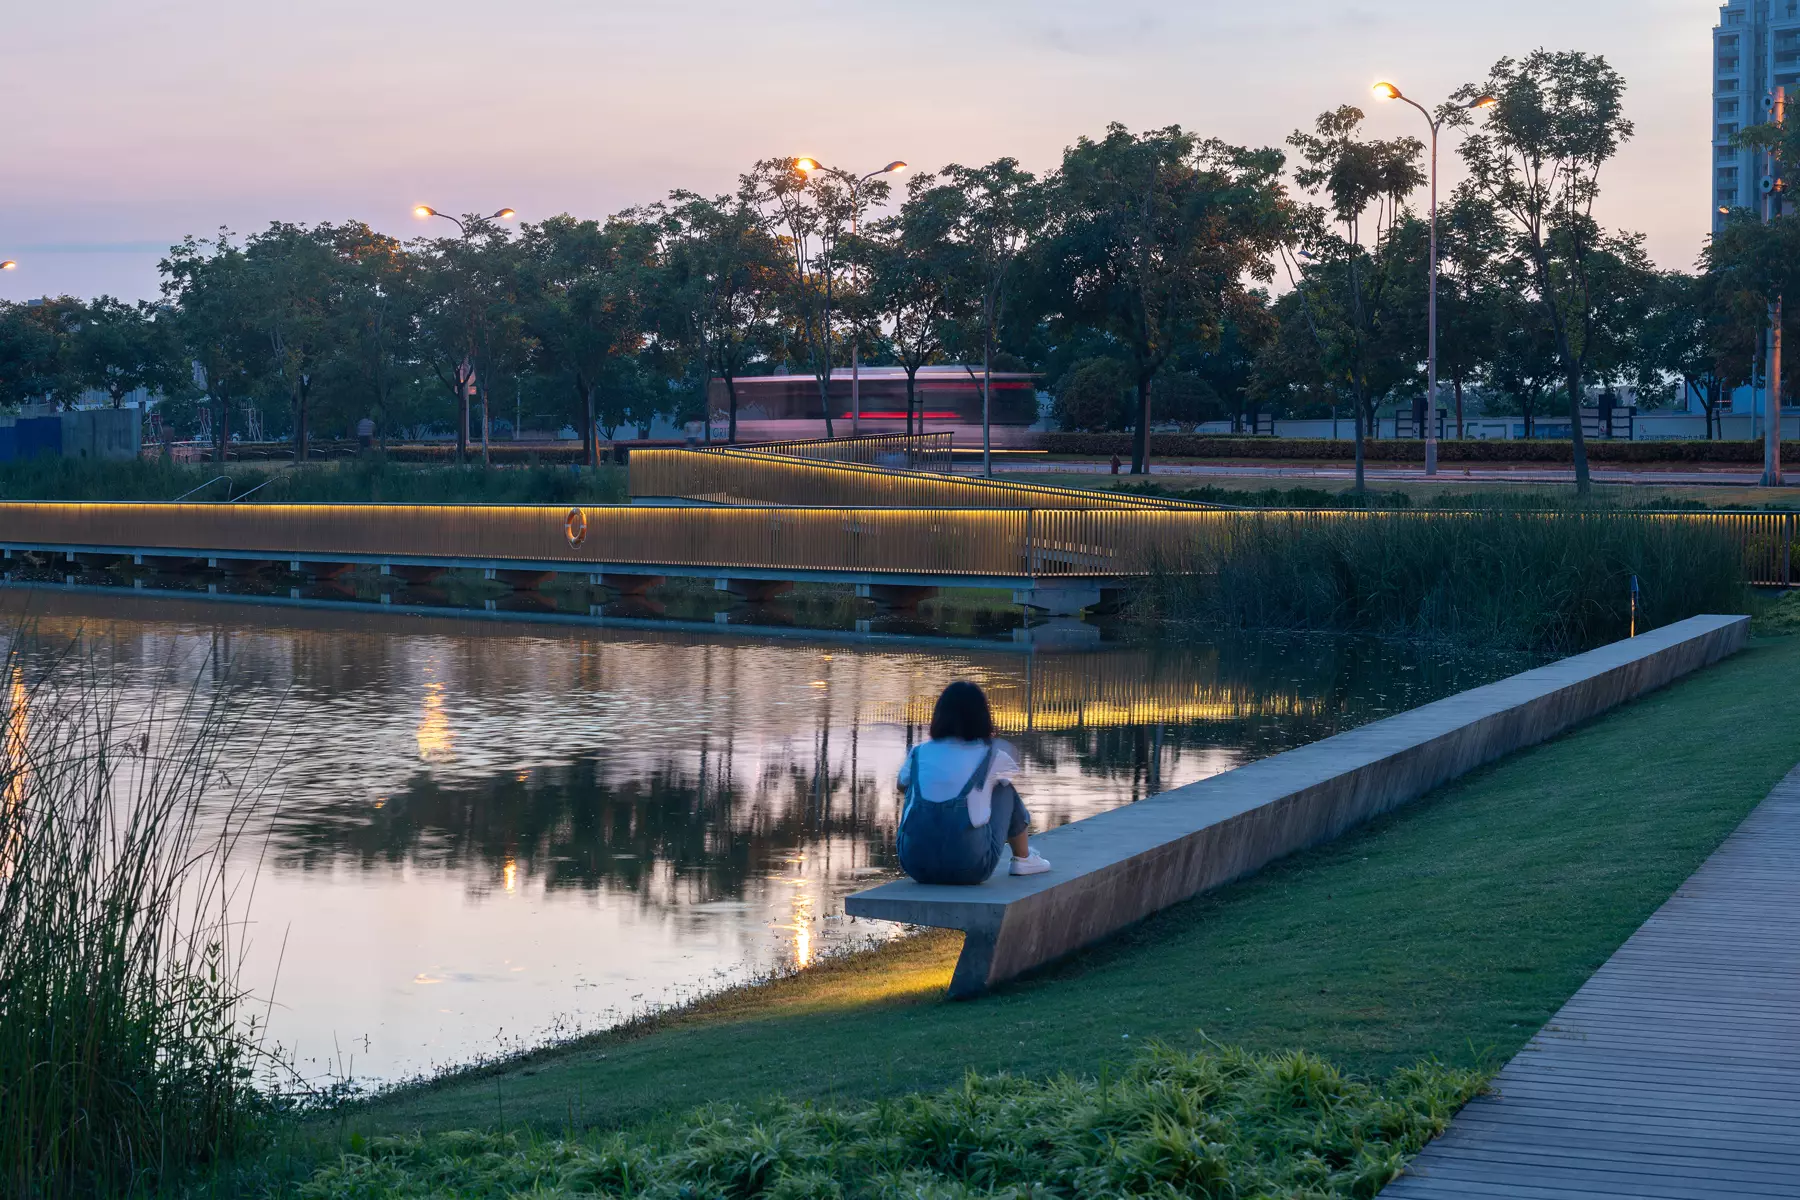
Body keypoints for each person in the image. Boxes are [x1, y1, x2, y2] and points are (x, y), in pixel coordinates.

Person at [895, 681, 1051, 885]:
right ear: (982, 716)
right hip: (970, 867)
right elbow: (1025, 788)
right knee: (1005, 788)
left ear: (939, 715)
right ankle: (1023, 859)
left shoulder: (919, 752)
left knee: (913, 785)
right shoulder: (992, 753)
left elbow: (901, 785)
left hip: (915, 866)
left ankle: (924, 844)